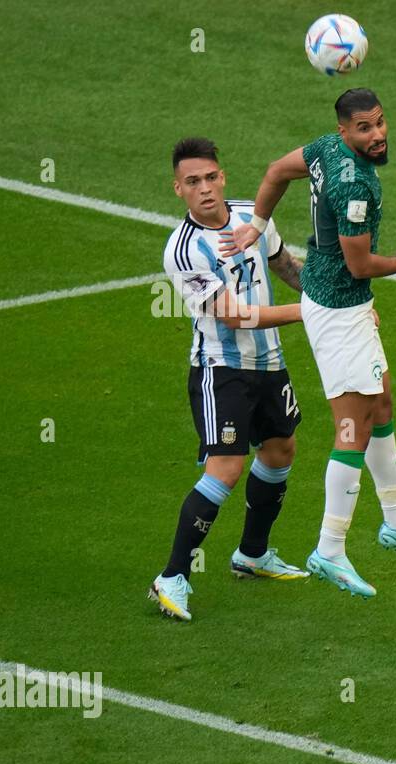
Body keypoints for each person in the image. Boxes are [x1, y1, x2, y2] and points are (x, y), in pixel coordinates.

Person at [227, 89, 396, 599]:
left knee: (383, 402)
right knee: (352, 427)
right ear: (346, 131)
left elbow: (275, 170)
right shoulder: (356, 186)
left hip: (341, 302)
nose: (377, 136)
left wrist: (257, 226)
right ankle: (329, 550)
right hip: (339, 309)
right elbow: (359, 264)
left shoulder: (326, 148)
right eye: (364, 129)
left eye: (379, 124)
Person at [152, 137, 311, 622]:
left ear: (223, 177)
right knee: (226, 467)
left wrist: (328, 294)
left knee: (281, 450)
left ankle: (252, 554)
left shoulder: (251, 215)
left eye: (211, 178)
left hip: (269, 364)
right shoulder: (182, 253)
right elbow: (232, 316)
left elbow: (284, 263)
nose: (204, 189)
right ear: (178, 188)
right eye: (192, 182)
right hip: (221, 371)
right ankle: (173, 576)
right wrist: (312, 311)